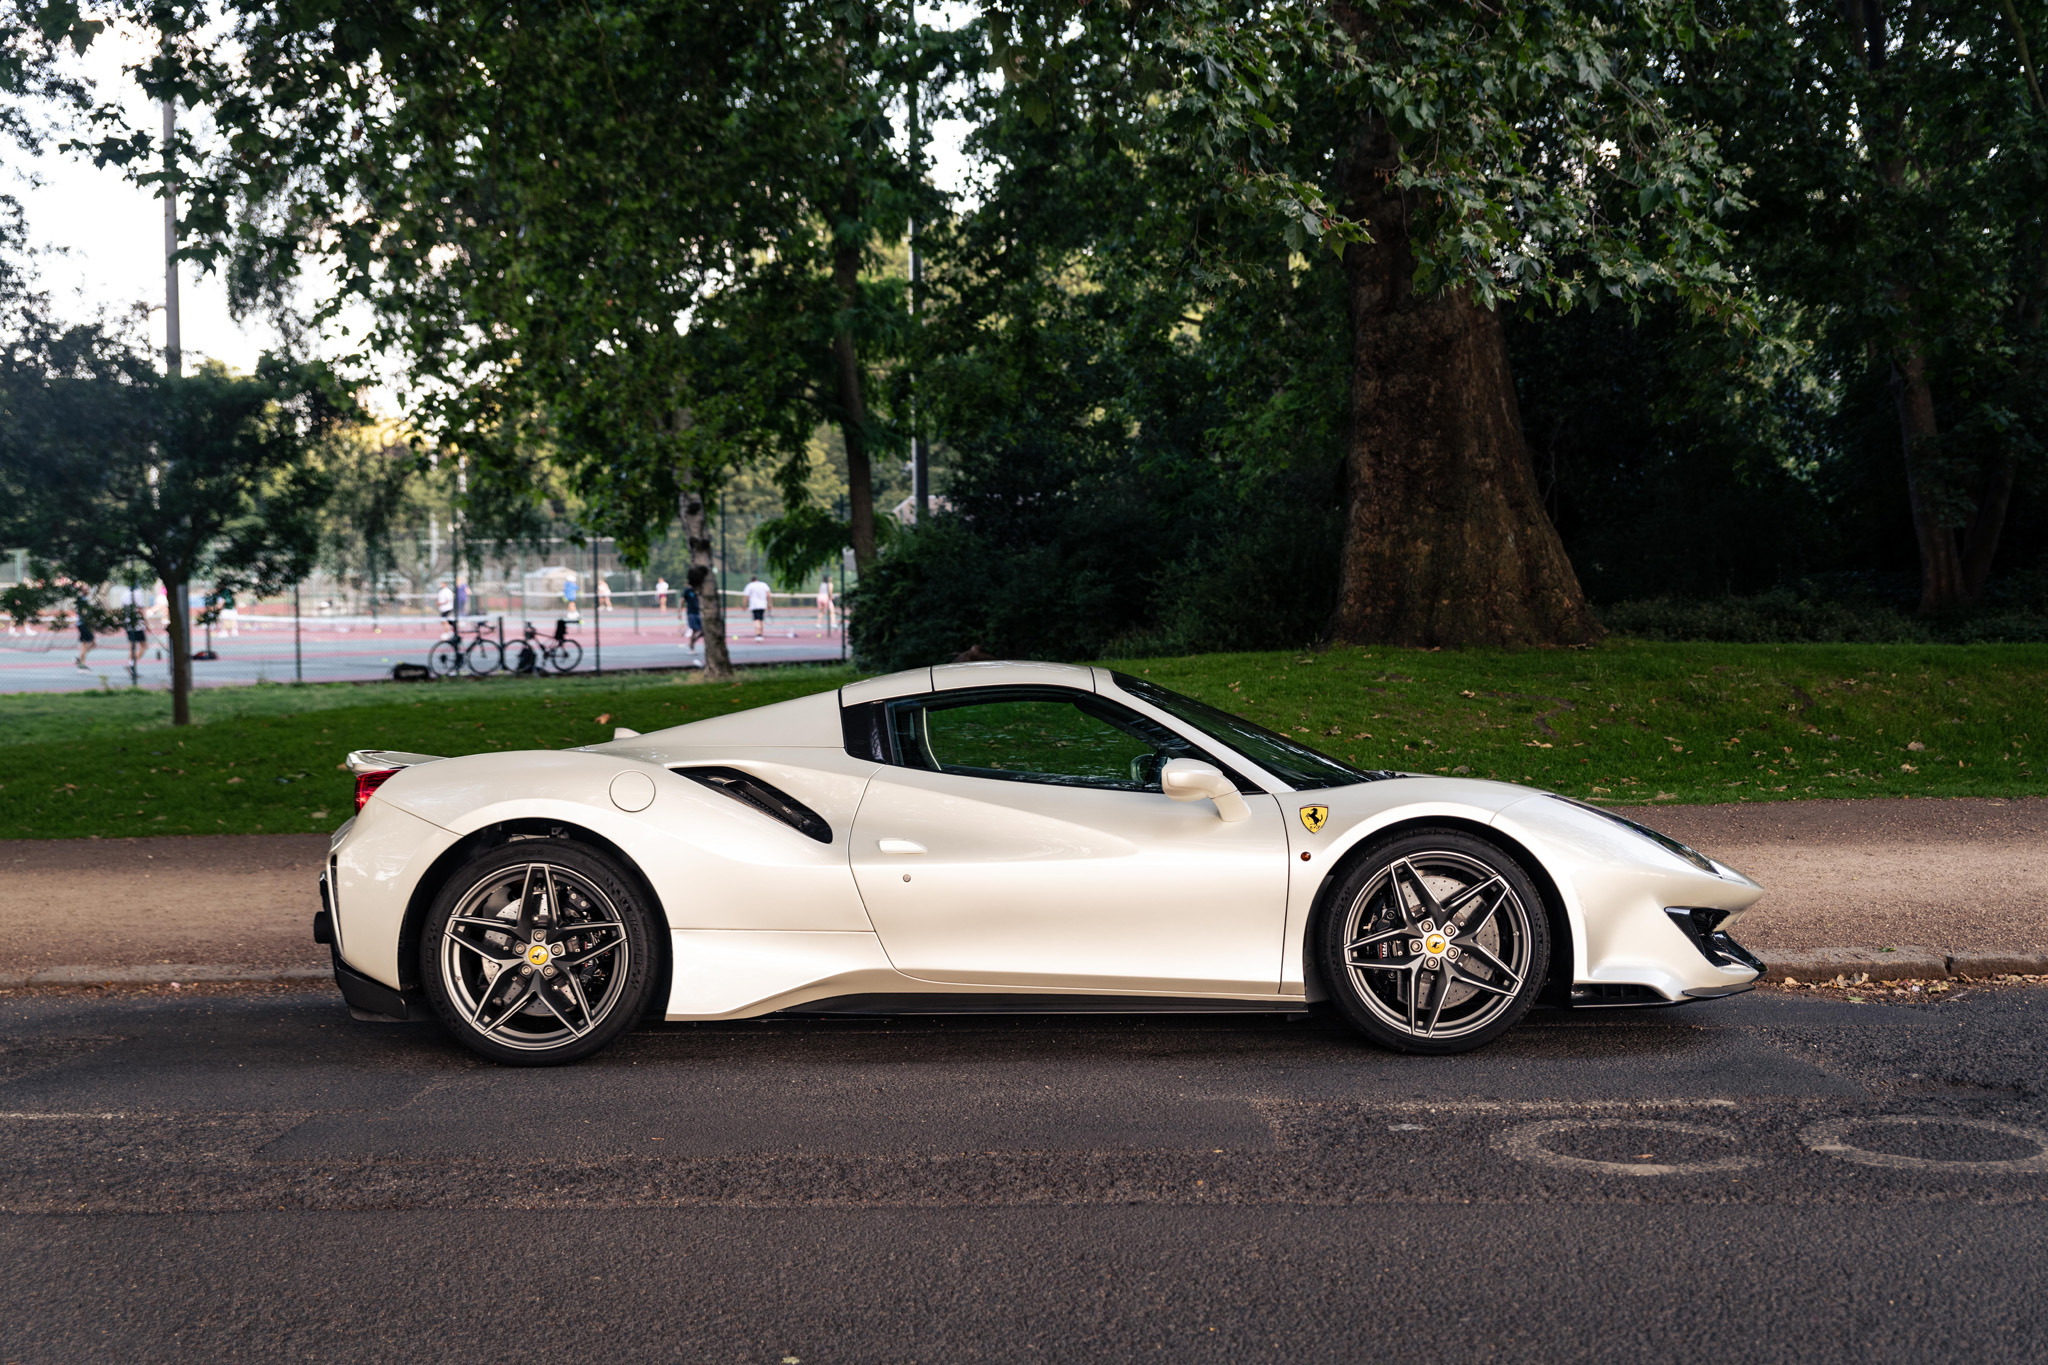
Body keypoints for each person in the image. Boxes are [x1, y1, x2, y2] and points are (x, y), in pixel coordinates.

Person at [120, 584, 149, 674]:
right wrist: (146, 623)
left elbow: (123, 610)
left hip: (128, 623)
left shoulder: (124, 594)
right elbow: (140, 610)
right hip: (137, 624)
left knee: (132, 646)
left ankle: (131, 665)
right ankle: (131, 664)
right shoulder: (138, 593)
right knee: (144, 646)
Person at [681, 567, 705, 651]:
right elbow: (682, 601)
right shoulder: (687, 590)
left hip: (699, 612)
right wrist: (679, 612)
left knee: (703, 630)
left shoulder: (699, 589)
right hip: (691, 613)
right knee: (694, 630)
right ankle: (692, 647)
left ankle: (692, 643)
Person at [72, 588, 95, 671]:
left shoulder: (84, 599)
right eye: (85, 589)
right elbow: (84, 613)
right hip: (83, 624)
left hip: (84, 624)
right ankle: (82, 664)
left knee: (93, 644)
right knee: (85, 645)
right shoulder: (82, 600)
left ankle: (80, 659)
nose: (88, 590)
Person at [743, 574, 771, 639]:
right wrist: (770, 603)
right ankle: (761, 634)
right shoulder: (764, 585)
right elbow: (768, 594)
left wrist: (744, 605)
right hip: (763, 605)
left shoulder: (749, 585)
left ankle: (758, 635)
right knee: (761, 619)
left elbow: (746, 596)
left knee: (756, 620)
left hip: (754, 605)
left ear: (751, 580)